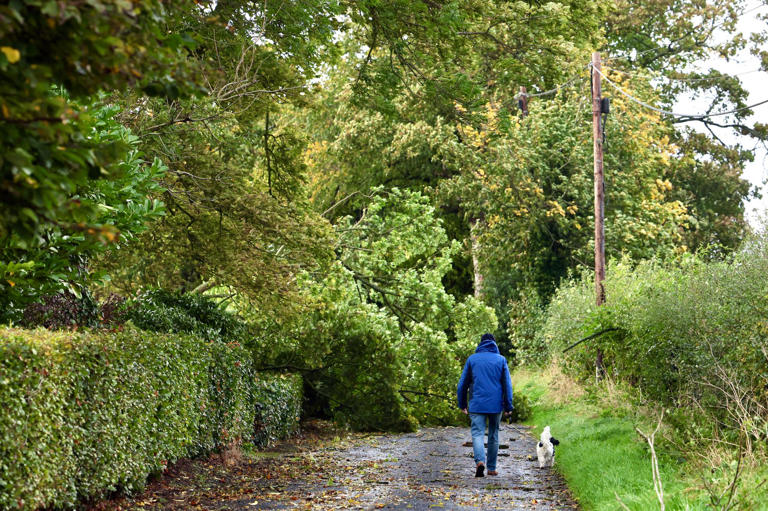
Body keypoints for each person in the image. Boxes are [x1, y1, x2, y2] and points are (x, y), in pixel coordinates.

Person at [457, 333, 514, 477]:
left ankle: (479, 462)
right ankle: (491, 468)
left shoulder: (472, 359)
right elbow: (507, 385)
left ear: (480, 344)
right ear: (494, 344)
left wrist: (462, 403)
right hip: (495, 405)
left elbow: (462, 384)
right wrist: (508, 406)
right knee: (494, 435)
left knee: (477, 434)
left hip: (476, 404)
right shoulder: (501, 360)